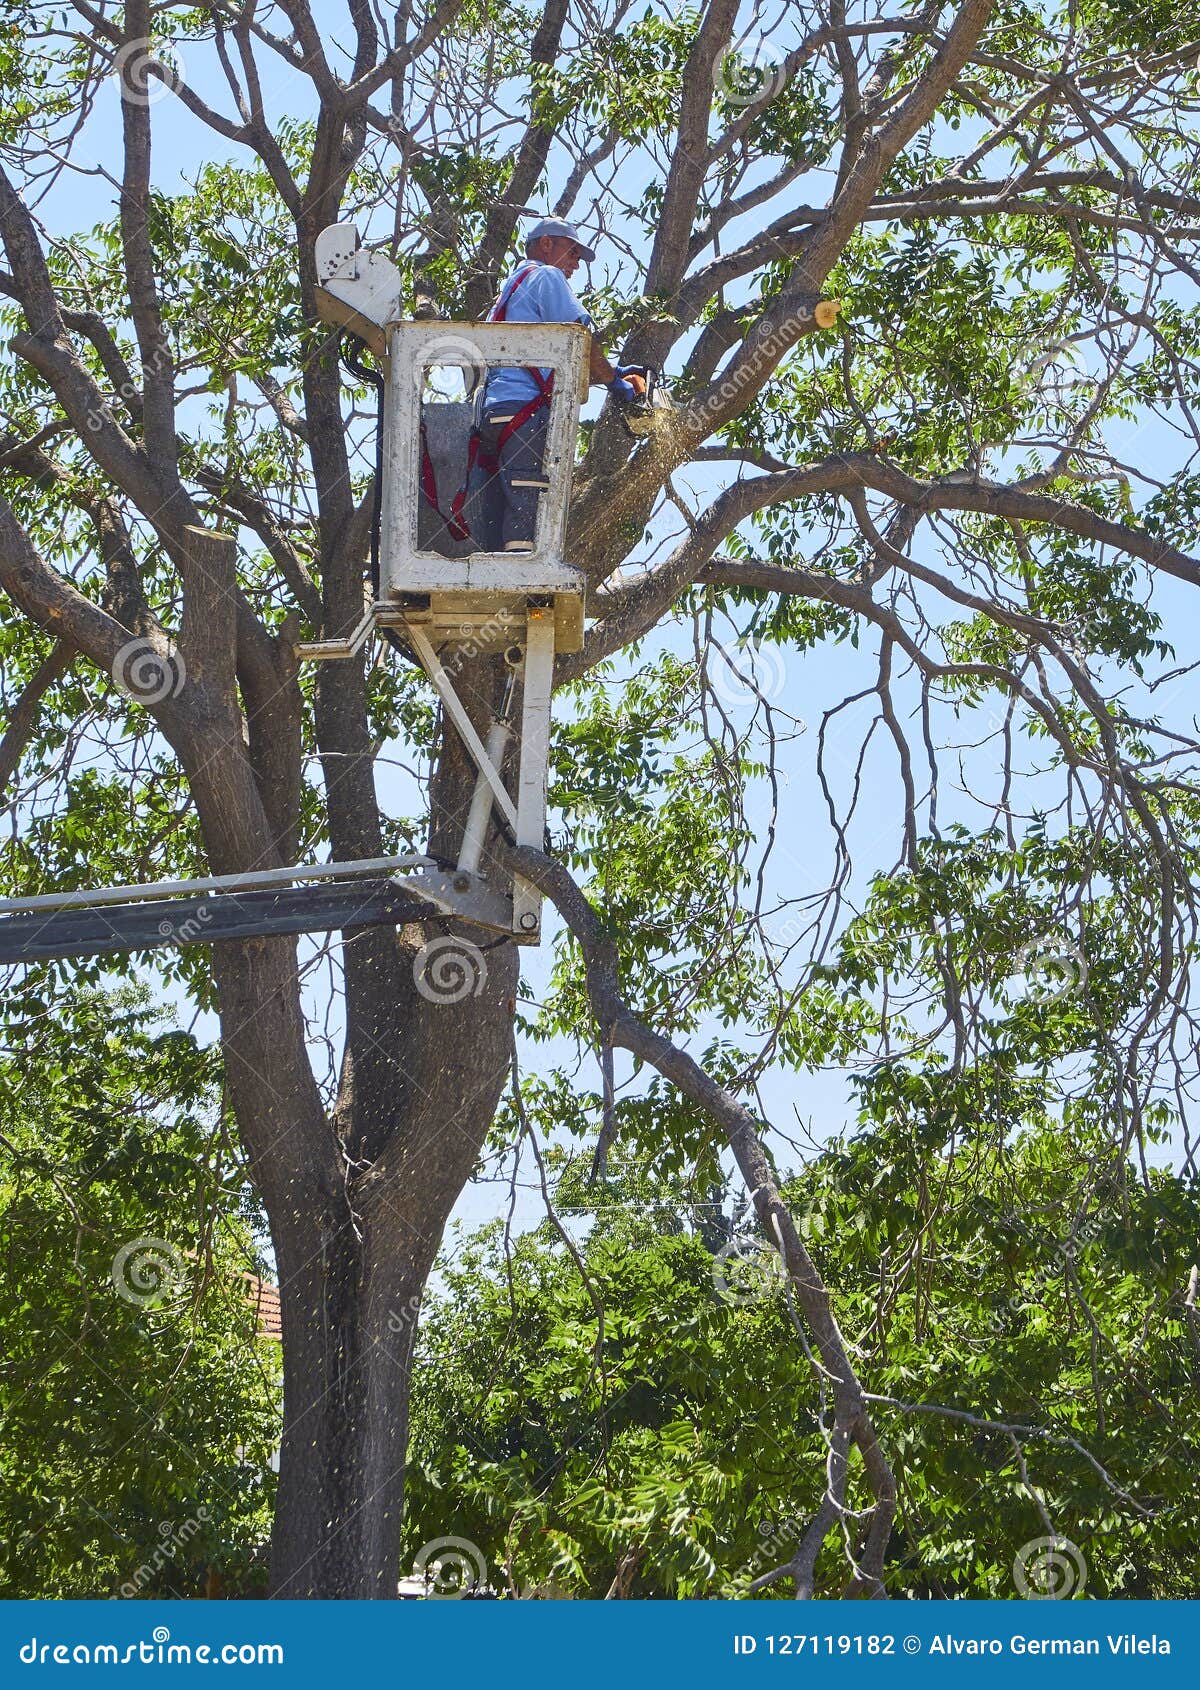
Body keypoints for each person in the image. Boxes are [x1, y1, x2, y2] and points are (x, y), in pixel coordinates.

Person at [465, 217, 645, 552]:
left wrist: (613, 374)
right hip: (524, 414)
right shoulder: (546, 276)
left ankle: (501, 575)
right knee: (529, 511)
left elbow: (557, 361)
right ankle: (522, 590)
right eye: (573, 252)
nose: (576, 264)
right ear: (547, 243)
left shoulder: (511, 290)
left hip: (495, 414)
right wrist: (615, 384)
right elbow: (580, 338)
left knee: (503, 511)